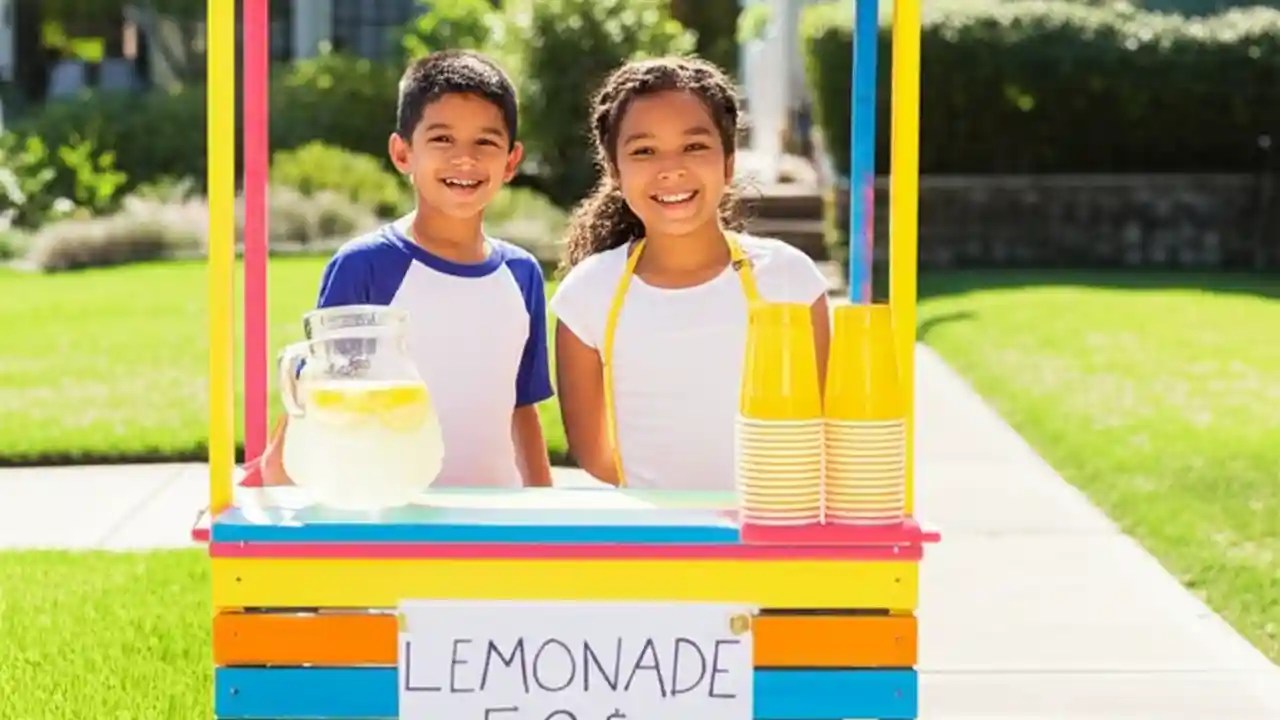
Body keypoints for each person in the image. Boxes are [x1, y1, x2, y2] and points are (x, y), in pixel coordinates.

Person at [260, 49, 554, 489]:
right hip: (394, 524)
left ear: (511, 161)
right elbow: (319, 396)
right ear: (402, 153)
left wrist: (541, 509)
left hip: (498, 523)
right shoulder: (365, 266)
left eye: (485, 143)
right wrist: (276, 485)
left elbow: (521, 406)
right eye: (442, 140)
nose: (465, 160)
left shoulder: (522, 273)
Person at [549, 56, 831, 492]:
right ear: (615, 172)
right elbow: (596, 455)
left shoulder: (789, 280)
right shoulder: (587, 295)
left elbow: (819, 425)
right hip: (650, 544)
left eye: (694, 146)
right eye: (644, 150)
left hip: (770, 537)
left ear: (729, 163)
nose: (671, 168)